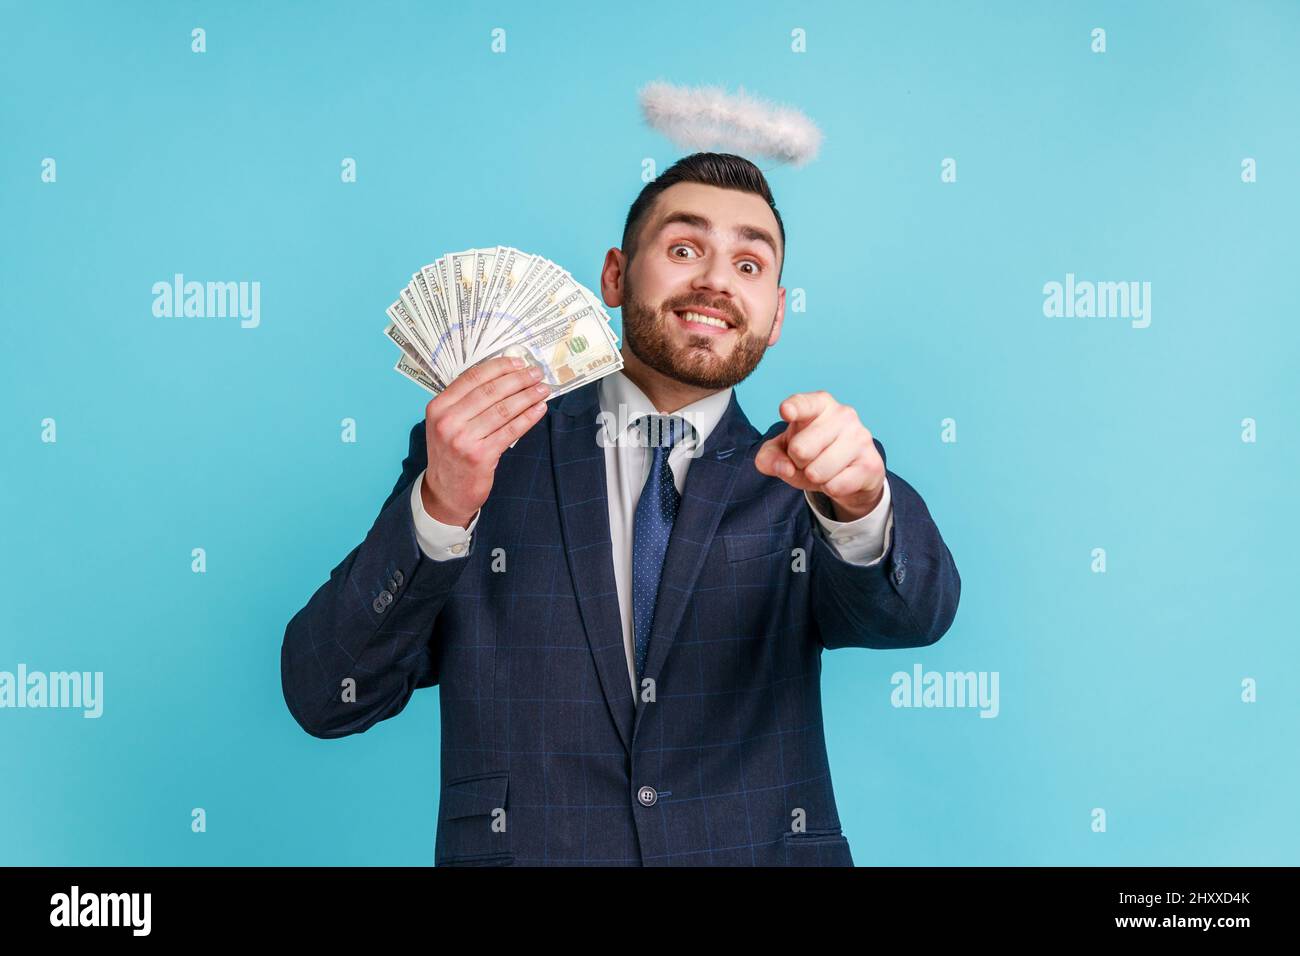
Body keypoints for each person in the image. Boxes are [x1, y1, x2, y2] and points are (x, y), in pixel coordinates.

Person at [281, 152, 961, 866]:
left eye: (750, 266)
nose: (716, 281)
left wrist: (862, 503)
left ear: (777, 315)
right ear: (614, 274)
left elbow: (915, 617)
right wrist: (439, 509)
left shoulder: (811, 482)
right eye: (684, 248)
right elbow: (327, 695)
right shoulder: (481, 458)